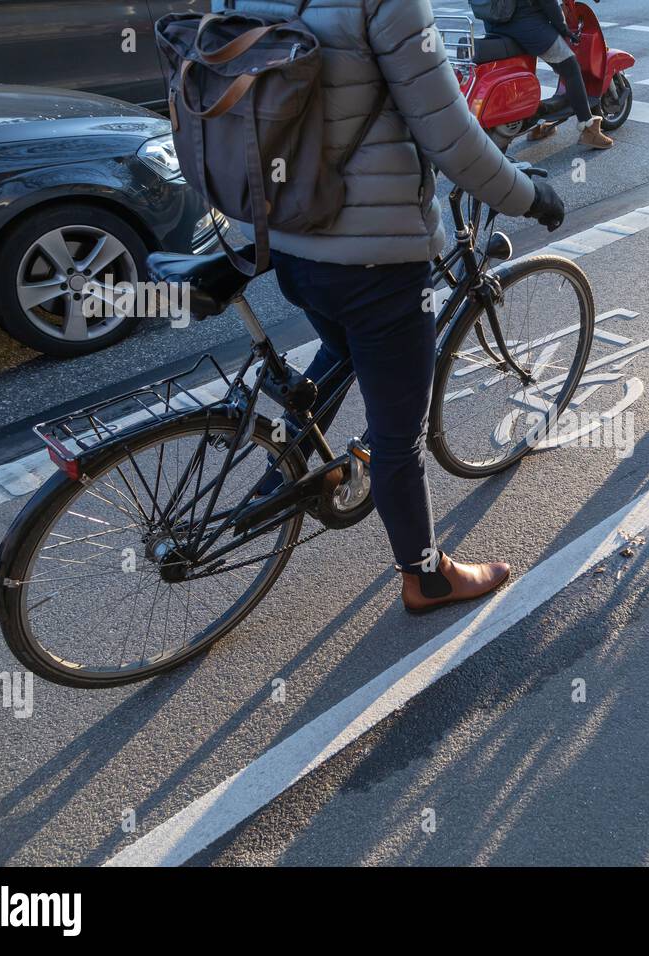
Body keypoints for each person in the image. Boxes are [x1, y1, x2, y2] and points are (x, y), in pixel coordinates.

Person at [222, 0, 566, 615]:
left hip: (289, 244)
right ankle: (426, 577)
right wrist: (529, 194)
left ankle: (280, 476)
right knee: (397, 436)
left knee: (339, 348)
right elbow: (450, 135)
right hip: (376, 259)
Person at [479, 0, 614, 149]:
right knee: (570, 67)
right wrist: (563, 29)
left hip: (495, 25)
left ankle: (538, 124)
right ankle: (589, 130)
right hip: (526, 25)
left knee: (529, 68)